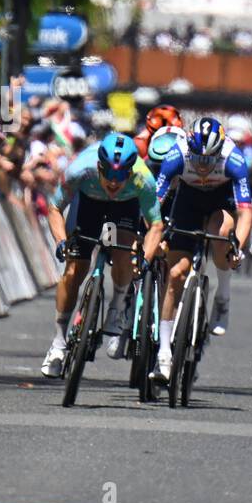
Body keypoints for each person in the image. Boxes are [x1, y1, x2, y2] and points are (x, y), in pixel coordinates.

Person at [42, 132, 163, 377]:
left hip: (125, 207)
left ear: (131, 171)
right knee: (75, 269)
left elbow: (156, 225)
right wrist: (61, 241)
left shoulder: (144, 180)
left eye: (121, 176)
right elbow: (54, 208)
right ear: (99, 167)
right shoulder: (79, 170)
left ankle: (117, 306)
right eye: (109, 174)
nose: (114, 182)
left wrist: (145, 259)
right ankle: (58, 342)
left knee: (123, 252)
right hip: (88, 203)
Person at [149, 116, 252, 384]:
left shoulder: (234, 158)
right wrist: (152, 235)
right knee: (176, 274)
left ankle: (223, 297)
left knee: (222, 236)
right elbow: (154, 204)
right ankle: (163, 354)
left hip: (220, 201)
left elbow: (246, 212)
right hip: (188, 202)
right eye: (197, 158)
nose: (203, 165)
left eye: (209, 159)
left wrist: (238, 247)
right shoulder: (176, 155)